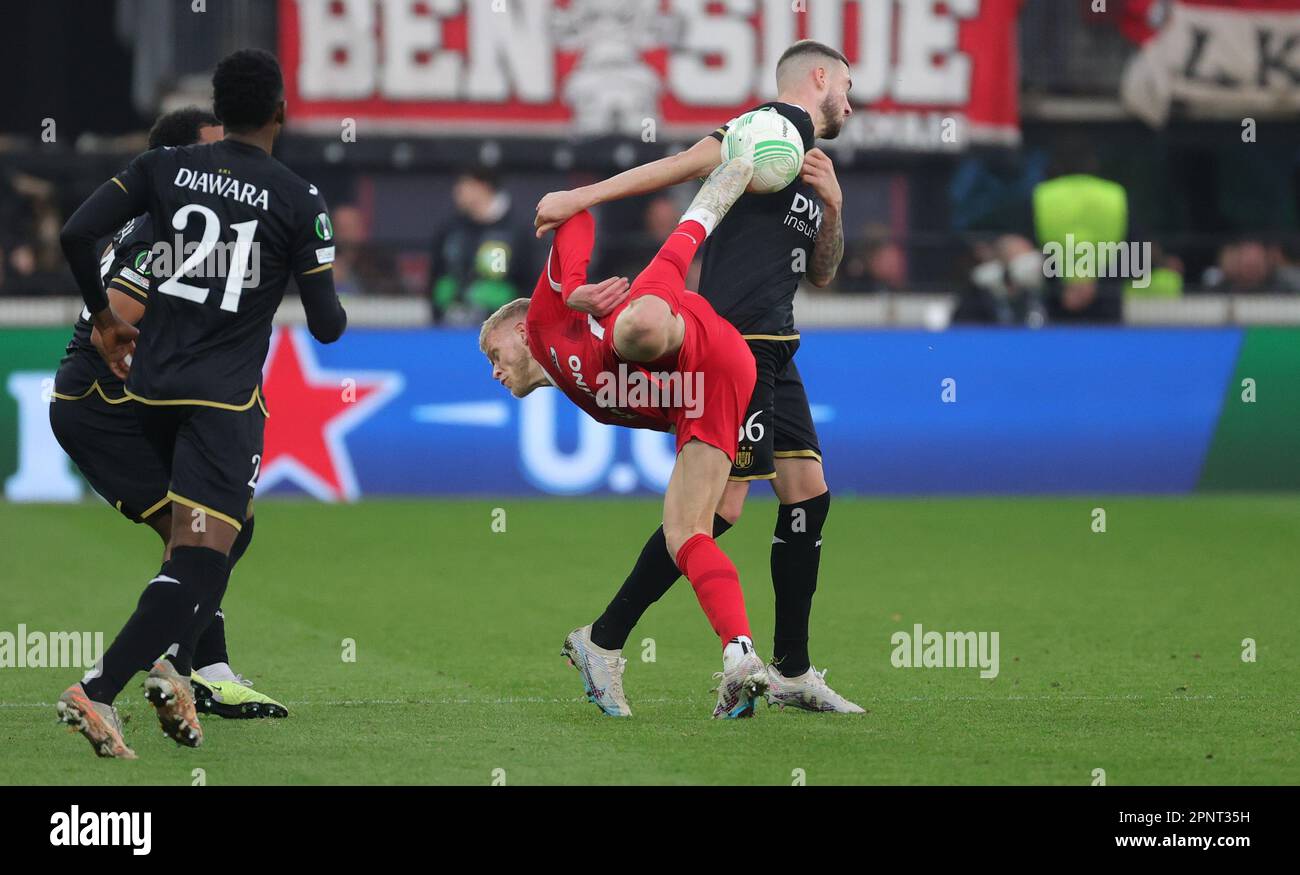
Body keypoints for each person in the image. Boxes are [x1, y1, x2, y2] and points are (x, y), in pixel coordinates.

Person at [534, 40, 862, 712]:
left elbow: (822, 272)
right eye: (848, 88)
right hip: (732, 343)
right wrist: (578, 196)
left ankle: (793, 671)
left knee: (808, 495)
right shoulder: (764, 128)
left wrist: (834, 206)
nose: (850, 105)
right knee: (719, 511)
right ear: (819, 76)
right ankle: (603, 637)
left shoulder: (809, 162)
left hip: (779, 344)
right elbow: (678, 167)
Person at [56, 48, 347, 758]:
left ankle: (181, 668)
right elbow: (328, 324)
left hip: (149, 392)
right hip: (184, 397)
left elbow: (74, 231)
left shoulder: (163, 183)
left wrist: (107, 314)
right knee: (202, 548)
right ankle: (118, 682)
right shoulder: (292, 197)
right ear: (279, 111)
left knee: (214, 533)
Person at [481, 158, 769, 718]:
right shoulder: (577, 387)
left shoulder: (542, 322)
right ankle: (738, 659)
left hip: (677, 327)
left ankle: (706, 208)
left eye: (494, 354)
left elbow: (575, 216)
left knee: (637, 324)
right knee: (695, 528)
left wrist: (574, 286)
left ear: (518, 331)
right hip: (716, 384)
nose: (495, 370)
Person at [48, 106, 288, 723]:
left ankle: (199, 670)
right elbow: (124, 313)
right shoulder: (164, 231)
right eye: (213, 150)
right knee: (208, 533)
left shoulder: (182, 221)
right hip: (104, 401)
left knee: (210, 530)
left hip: (117, 399)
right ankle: (171, 672)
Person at [428, 165, 536, 324]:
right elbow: (435, 274)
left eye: (464, 185)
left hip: (501, 328)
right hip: (449, 327)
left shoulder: (517, 231)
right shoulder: (450, 230)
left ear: (482, 187)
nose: (457, 192)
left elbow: (530, 280)